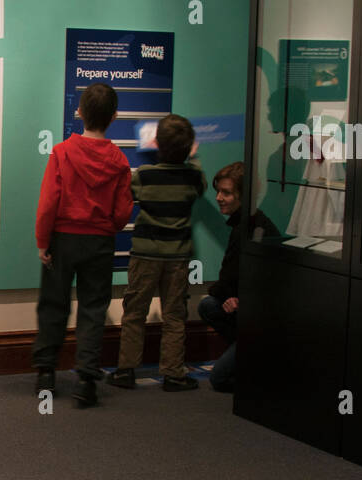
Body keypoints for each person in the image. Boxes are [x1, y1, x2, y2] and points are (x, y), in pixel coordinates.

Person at [32, 82, 134, 407]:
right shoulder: (119, 161)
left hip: (62, 239)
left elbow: (49, 202)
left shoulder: (61, 152)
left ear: (79, 111)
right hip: (100, 242)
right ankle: (87, 378)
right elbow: (122, 212)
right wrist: (109, 225)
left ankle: (46, 371)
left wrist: (43, 241)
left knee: (53, 304)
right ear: (114, 116)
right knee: (93, 308)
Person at [109, 114, 206, 392]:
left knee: (134, 311)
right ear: (188, 148)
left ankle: (126, 369)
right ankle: (174, 373)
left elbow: (128, 191)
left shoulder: (144, 176)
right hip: (177, 258)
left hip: (144, 254)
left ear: (157, 144)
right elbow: (202, 186)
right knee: (175, 314)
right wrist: (194, 159)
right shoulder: (192, 177)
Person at [199, 162, 277, 393]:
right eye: (219, 191)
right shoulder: (244, 224)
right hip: (249, 306)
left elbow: (269, 283)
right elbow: (233, 278)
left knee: (219, 380)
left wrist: (240, 299)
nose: (219, 197)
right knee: (209, 306)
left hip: (264, 315)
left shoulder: (254, 229)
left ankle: (265, 366)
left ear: (244, 195)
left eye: (227, 192)